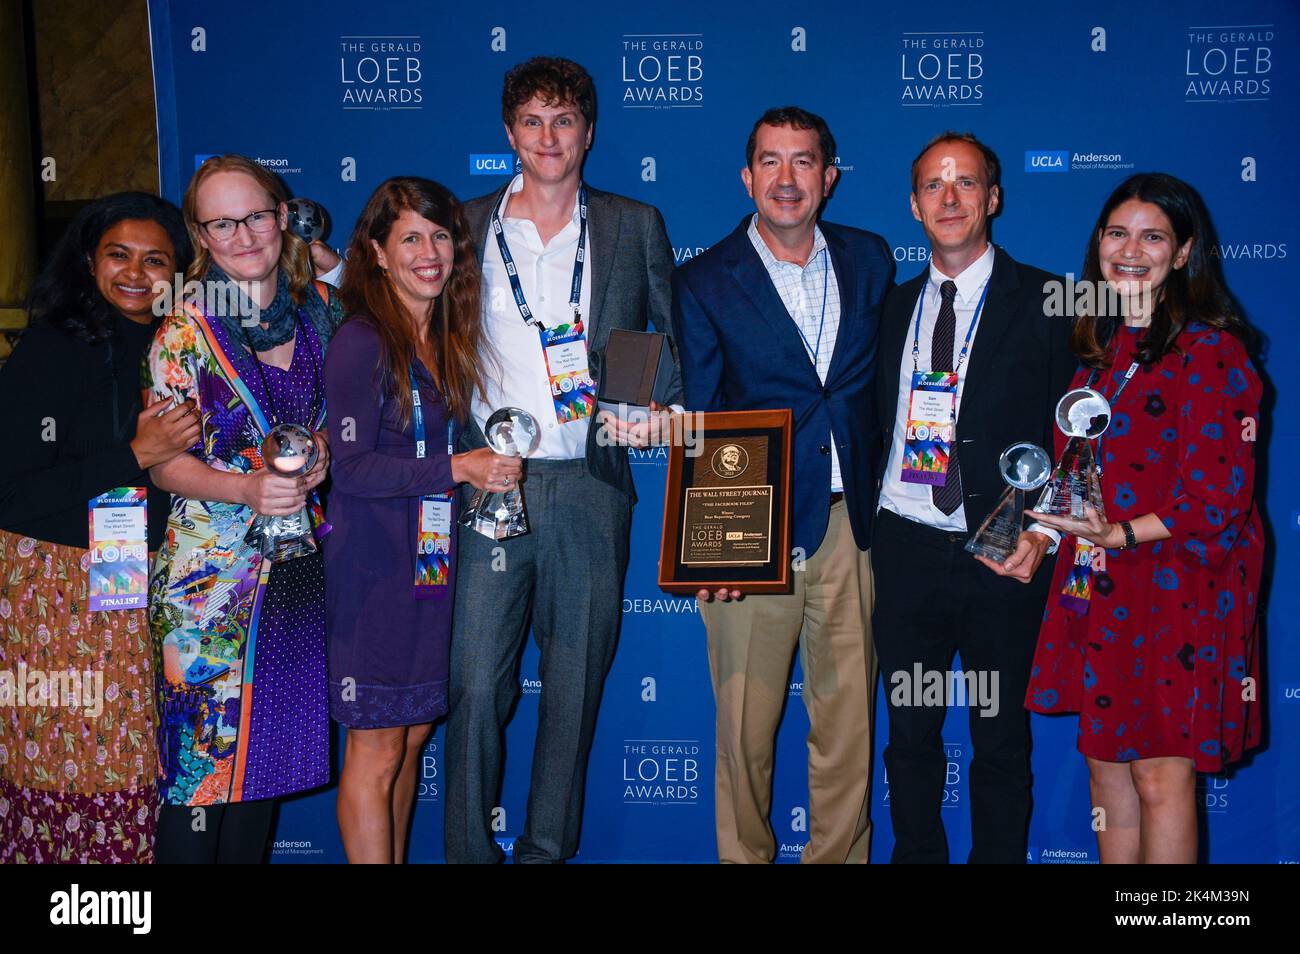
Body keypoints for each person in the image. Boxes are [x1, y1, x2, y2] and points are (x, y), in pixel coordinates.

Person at [445, 56, 683, 864]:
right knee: (476, 686)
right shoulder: (464, 224)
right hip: (490, 482)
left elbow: (661, 342)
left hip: (587, 483)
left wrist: (653, 412)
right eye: (533, 122)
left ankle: (546, 855)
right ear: (509, 132)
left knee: (574, 689)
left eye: (566, 120)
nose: (549, 137)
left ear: (588, 131)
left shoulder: (630, 222)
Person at [672, 106, 893, 864]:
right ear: (747, 176)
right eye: (771, 161)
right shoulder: (702, 279)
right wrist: (710, 553)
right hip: (751, 535)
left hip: (847, 527)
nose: (787, 178)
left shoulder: (870, 260)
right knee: (744, 728)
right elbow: (699, 414)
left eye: (804, 162)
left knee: (849, 724)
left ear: (829, 178)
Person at [1026, 173, 1263, 864]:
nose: (1131, 249)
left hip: (1177, 586)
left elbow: (1219, 495)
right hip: (1100, 584)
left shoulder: (1212, 352)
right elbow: (1076, 469)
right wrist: (1041, 534)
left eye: (1153, 236)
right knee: (1107, 766)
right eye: (1118, 232)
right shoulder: (1100, 352)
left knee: (1161, 773)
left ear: (1184, 252)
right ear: (1099, 243)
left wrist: (1121, 534)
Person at [873, 132, 1075, 863]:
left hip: (1003, 552)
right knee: (910, 739)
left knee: (999, 743)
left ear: (993, 196)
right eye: (933, 185)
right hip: (905, 547)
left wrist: (1048, 534)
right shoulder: (889, 308)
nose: (949, 199)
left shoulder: (1051, 301)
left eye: (966, 184)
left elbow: (1080, 435)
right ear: (914, 204)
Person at [145, 154, 343, 863]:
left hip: (292, 575)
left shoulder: (322, 309)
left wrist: (322, 448)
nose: (243, 235)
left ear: (282, 215)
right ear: (202, 235)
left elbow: (361, 405)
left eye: (255, 215)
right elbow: (164, 463)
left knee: (263, 776)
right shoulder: (185, 328)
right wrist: (246, 488)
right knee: (200, 782)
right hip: (209, 588)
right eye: (221, 223)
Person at [325, 177, 520, 863]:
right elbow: (350, 468)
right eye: (410, 237)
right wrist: (460, 468)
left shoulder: (441, 337)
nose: (430, 251)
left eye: (441, 235)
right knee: (376, 748)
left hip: (429, 565)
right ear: (377, 252)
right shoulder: (360, 339)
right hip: (374, 570)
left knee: (409, 740)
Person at [0, 193, 196, 863]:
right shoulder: (51, 349)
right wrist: (134, 456)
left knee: (133, 764)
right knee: (68, 762)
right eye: (119, 255)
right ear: (89, 261)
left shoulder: (181, 346)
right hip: (54, 596)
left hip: (144, 586)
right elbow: (10, 492)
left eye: (155, 259)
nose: (136, 274)